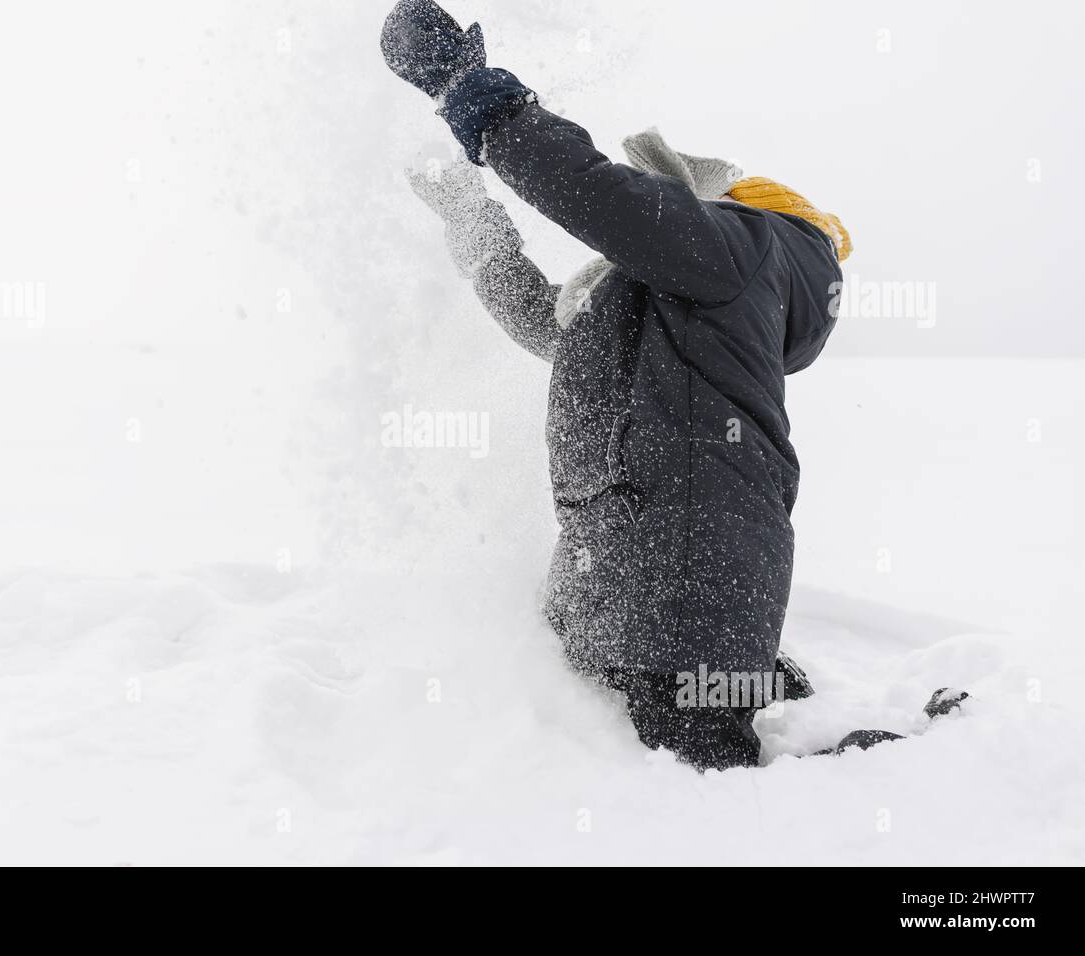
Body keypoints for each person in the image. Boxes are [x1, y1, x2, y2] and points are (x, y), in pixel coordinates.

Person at [380, 2, 895, 771]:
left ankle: (889, 773)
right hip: (617, 571)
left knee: (698, 783)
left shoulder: (745, 246)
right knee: (629, 747)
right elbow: (541, 320)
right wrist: (470, 217)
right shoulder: (667, 309)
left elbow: (601, 196)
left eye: (692, 202)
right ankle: (761, 697)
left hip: (691, 573)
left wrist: (471, 92)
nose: (680, 213)